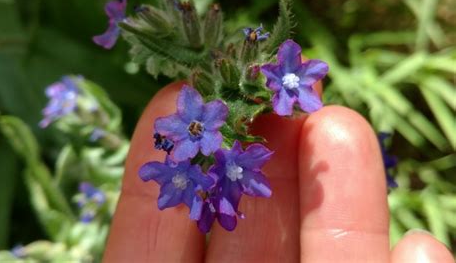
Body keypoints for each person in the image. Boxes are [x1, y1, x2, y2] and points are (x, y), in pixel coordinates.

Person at [103, 82, 453, 262]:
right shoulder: (195, 151)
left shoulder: (215, 151)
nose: (194, 128)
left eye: (195, 127)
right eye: (193, 127)